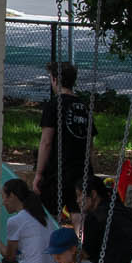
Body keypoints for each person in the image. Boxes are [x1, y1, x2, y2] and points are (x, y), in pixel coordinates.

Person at [35, 61, 95, 215]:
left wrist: (39, 173)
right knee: (77, 213)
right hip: (81, 170)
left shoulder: (54, 105)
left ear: (54, 79)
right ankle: (82, 240)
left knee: (45, 214)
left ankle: (49, 239)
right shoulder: (83, 107)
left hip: (59, 171)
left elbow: (46, 142)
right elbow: (90, 145)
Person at [0, 177, 54, 263]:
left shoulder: (16, 220)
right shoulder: (44, 218)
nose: (3, 202)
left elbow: (10, 257)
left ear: (12, 196)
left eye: (4, 197)